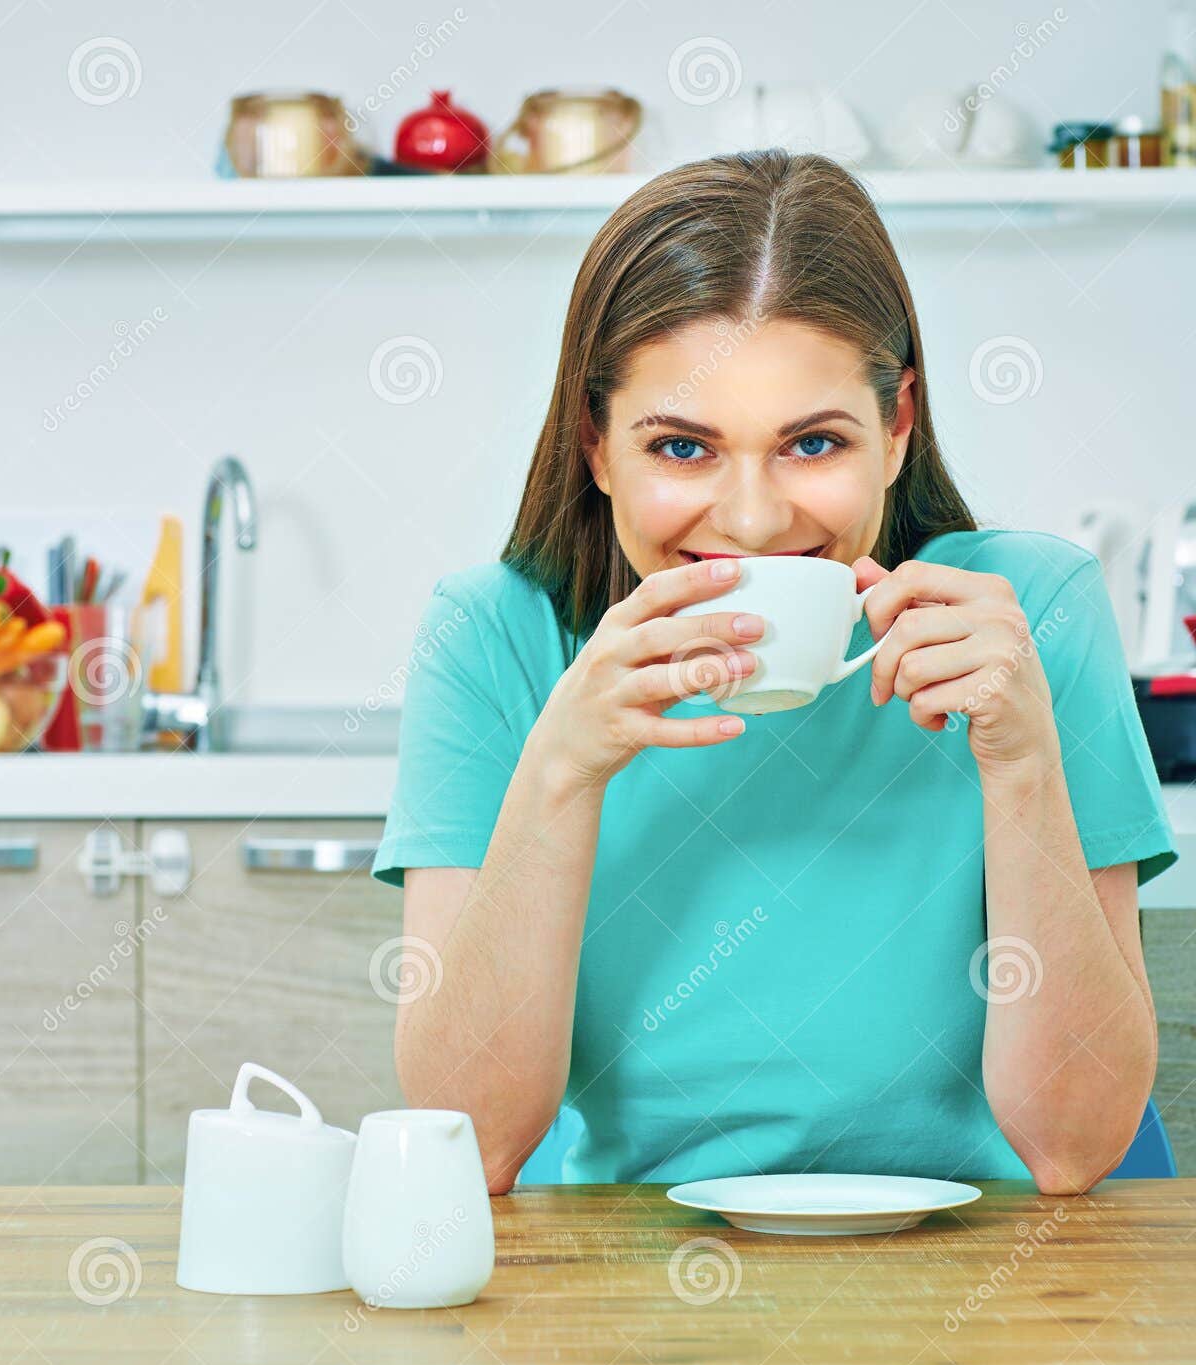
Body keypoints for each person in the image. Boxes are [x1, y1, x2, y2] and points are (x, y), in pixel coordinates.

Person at [371, 149, 1177, 1197]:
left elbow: (1074, 1148)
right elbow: (471, 1144)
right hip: (637, 1279)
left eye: (809, 442)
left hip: (981, 1279)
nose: (752, 519)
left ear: (896, 429)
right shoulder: (495, 636)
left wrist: (1019, 764)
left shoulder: (1029, 615)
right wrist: (559, 772)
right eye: (679, 448)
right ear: (595, 444)